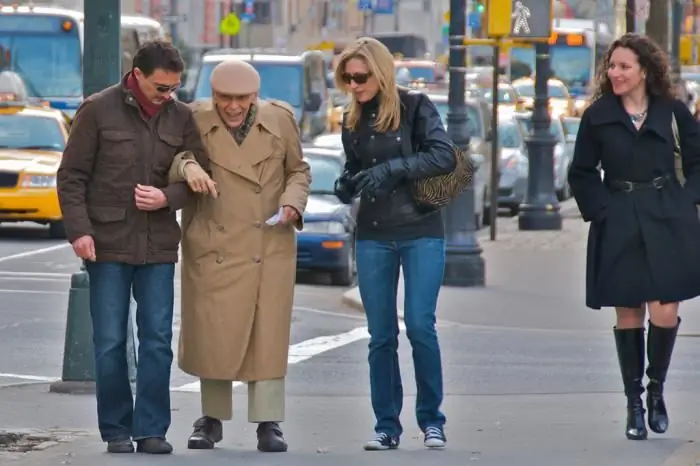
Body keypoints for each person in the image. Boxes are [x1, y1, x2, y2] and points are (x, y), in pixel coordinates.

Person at [56, 39, 208, 454]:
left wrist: (168, 198)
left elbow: (200, 175)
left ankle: (152, 430)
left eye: (174, 88)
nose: (169, 95)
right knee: (109, 342)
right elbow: (71, 176)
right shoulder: (98, 109)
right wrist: (79, 231)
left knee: (157, 339)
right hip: (105, 244)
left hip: (158, 245)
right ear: (137, 75)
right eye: (162, 87)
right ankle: (117, 430)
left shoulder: (181, 116)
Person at [166, 59, 311, 452]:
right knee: (215, 333)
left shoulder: (280, 120)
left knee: (267, 334)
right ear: (212, 95)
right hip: (214, 243)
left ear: (255, 96)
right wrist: (189, 166)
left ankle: (269, 422)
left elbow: (298, 170)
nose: (232, 107)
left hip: (268, 242)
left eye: (242, 99)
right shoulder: (192, 117)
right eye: (224, 98)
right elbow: (172, 159)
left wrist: (292, 204)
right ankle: (210, 420)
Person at [568, 33, 700, 441]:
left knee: (664, 311)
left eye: (624, 66)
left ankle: (656, 389)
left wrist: (686, 203)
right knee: (628, 313)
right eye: (612, 66)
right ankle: (634, 404)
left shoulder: (673, 112)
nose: (616, 73)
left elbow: (697, 163)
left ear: (644, 69)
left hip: (666, 218)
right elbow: (582, 172)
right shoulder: (598, 115)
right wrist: (601, 210)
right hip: (620, 217)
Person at [332, 37, 456, 451]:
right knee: (380, 334)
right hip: (373, 234)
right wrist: (346, 183)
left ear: (381, 73)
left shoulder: (416, 107)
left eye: (361, 77)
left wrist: (394, 169)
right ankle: (387, 424)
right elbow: (354, 167)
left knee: (420, 325)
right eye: (347, 77)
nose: (354, 84)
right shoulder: (351, 119)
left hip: (420, 228)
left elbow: (444, 157)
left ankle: (431, 420)